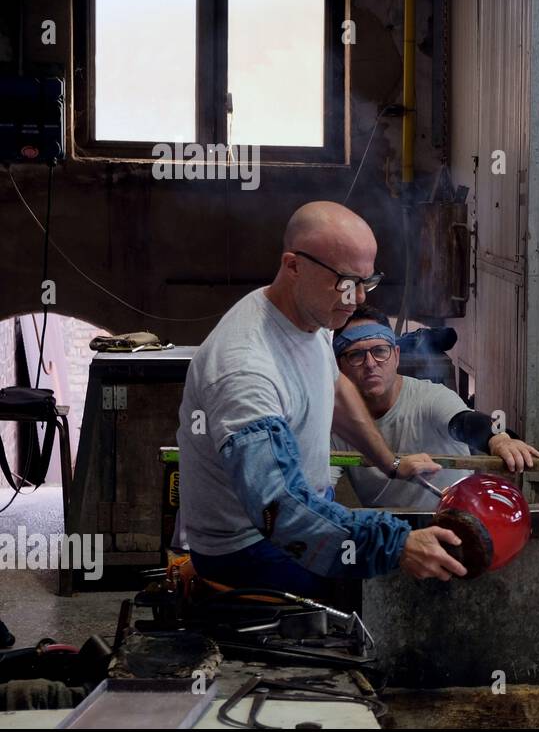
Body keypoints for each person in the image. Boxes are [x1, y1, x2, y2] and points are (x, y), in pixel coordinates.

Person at [174, 201, 467, 597]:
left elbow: (332, 385)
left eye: (367, 282)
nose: (356, 297)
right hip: (251, 550)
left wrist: (389, 461)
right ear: (294, 266)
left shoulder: (313, 316)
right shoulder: (244, 370)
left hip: (296, 516)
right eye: (346, 282)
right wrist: (394, 544)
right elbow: (279, 508)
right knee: (398, 598)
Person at [329, 304, 539, 508]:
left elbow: (464, 421)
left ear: (396, 355)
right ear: (339, 365)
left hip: (451, 519)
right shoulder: (336, 422)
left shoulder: (429, 397)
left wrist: (498, 439)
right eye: (356, 355)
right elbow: (320, 483)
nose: (370, 363)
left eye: (380, 351)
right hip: (386, 531)